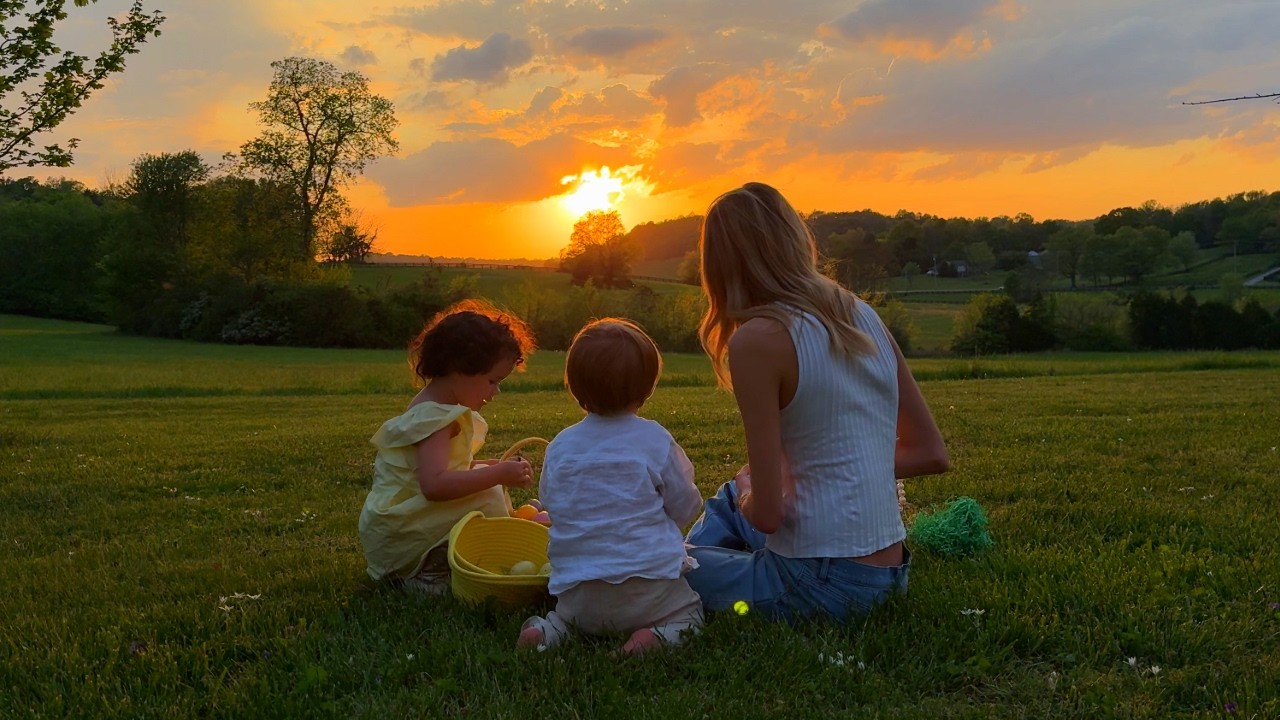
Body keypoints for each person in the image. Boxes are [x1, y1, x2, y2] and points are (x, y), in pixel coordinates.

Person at [683, 182, 950, 623]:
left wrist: (753, 492)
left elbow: (768, 514)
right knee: (731, 498)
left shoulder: (758, 339)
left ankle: (684, 558)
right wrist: (838, 470)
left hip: (816, 584)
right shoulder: (862, 315)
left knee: (661, 568)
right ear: (794, 239)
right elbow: (930, 453)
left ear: (720, 266)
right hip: (889, 575)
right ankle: (705, 551)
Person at [517, 319, 704, 654]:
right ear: (647, 387)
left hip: (578, 594)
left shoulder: (560, 446)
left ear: (575, 386)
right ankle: (654, 638)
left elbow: (552, 504)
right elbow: (686, 504)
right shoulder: (654, 439)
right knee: (689, 616)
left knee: (565, 620)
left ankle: (548, 632)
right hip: (650, 590)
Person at [358, 299, 537, 595]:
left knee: (487, 486)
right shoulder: (437, 418)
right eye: (492, 380)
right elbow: (435, 486)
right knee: (488, 493)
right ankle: (429, 574)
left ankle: (435, 563)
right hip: (402, 535)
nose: (496, 391)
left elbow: (444, 472)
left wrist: (490, 467)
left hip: (395, 528)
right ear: (459, 369)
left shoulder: (430, 406)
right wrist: (497, 476)